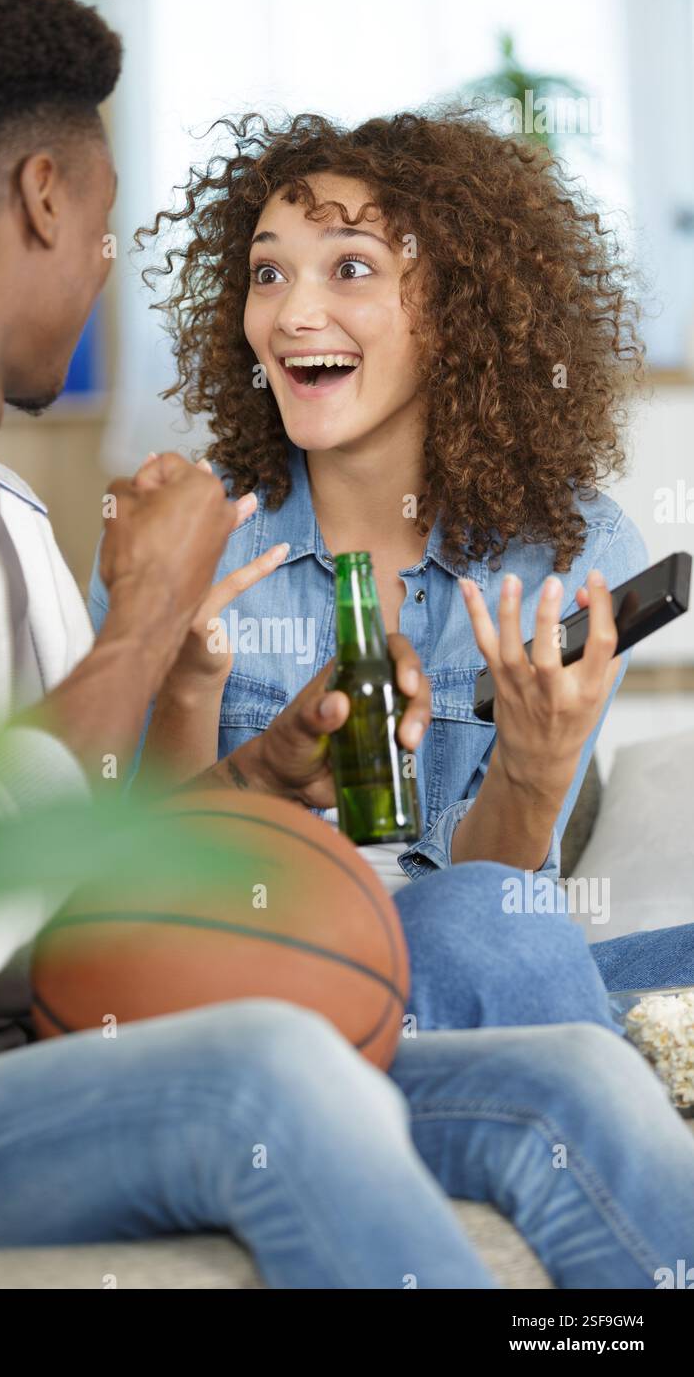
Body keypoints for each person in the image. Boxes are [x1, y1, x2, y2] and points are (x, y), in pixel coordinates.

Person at [0, 0, 693, 1290]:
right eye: (114, 226)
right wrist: (151, 637)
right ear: (46, 200)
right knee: (407, 980)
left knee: (566, 1053)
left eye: (350, 267)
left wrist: (269, 770)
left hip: (116, 1004)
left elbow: (91, 876)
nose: (288, 310)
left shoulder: (2, 512)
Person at [88, 109, 694, 1014]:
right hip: (251, 975)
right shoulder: (184, 528)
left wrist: (534, 770)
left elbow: (488, 912)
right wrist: (184, 682)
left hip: (452, 966)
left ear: (455, 308)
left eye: (351, 267)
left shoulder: (577, 552)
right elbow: (123, 895)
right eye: (267, 273)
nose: (293, 312)